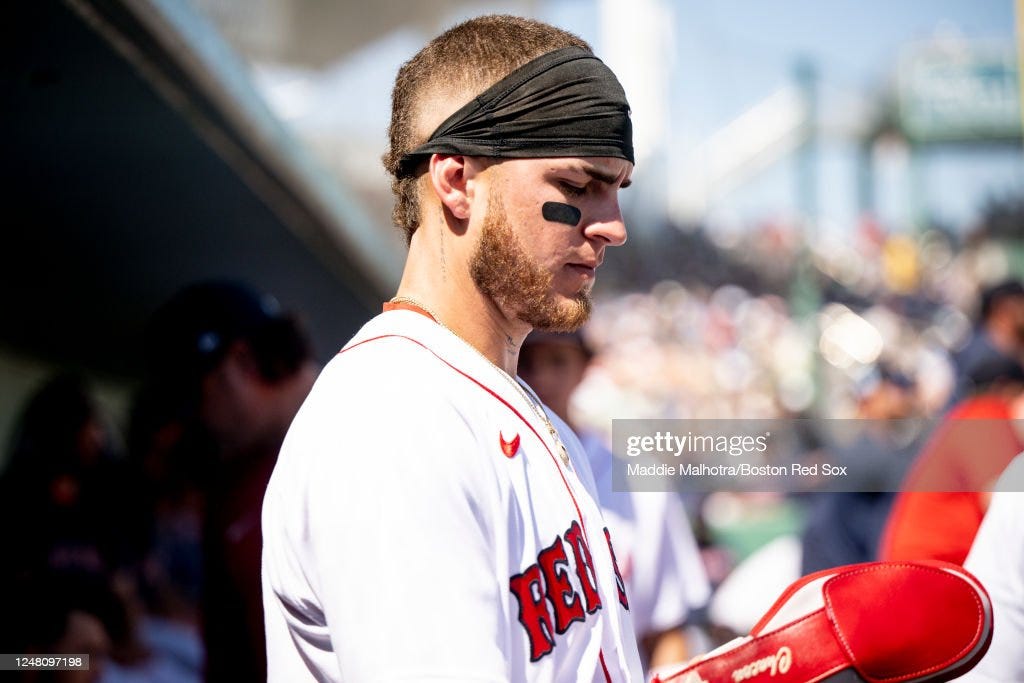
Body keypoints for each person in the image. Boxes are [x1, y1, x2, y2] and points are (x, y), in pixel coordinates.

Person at [261, 15, 642, 681]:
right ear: (458, 181)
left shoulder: (508, 407)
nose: (613, 226)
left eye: (616, 188)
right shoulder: (391, 422)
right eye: (578, 187)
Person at [146, 281, 318, 682]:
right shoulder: (231, 483)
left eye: (196, 395)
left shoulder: (363, 430)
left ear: (242, 362)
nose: (196, 419)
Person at [518, 330, 710, 674]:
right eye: (527, 362)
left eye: (558, 361)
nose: (542, 377)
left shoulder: (639, 482)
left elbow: (666, 628)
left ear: (585, 367)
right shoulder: (493, 471)